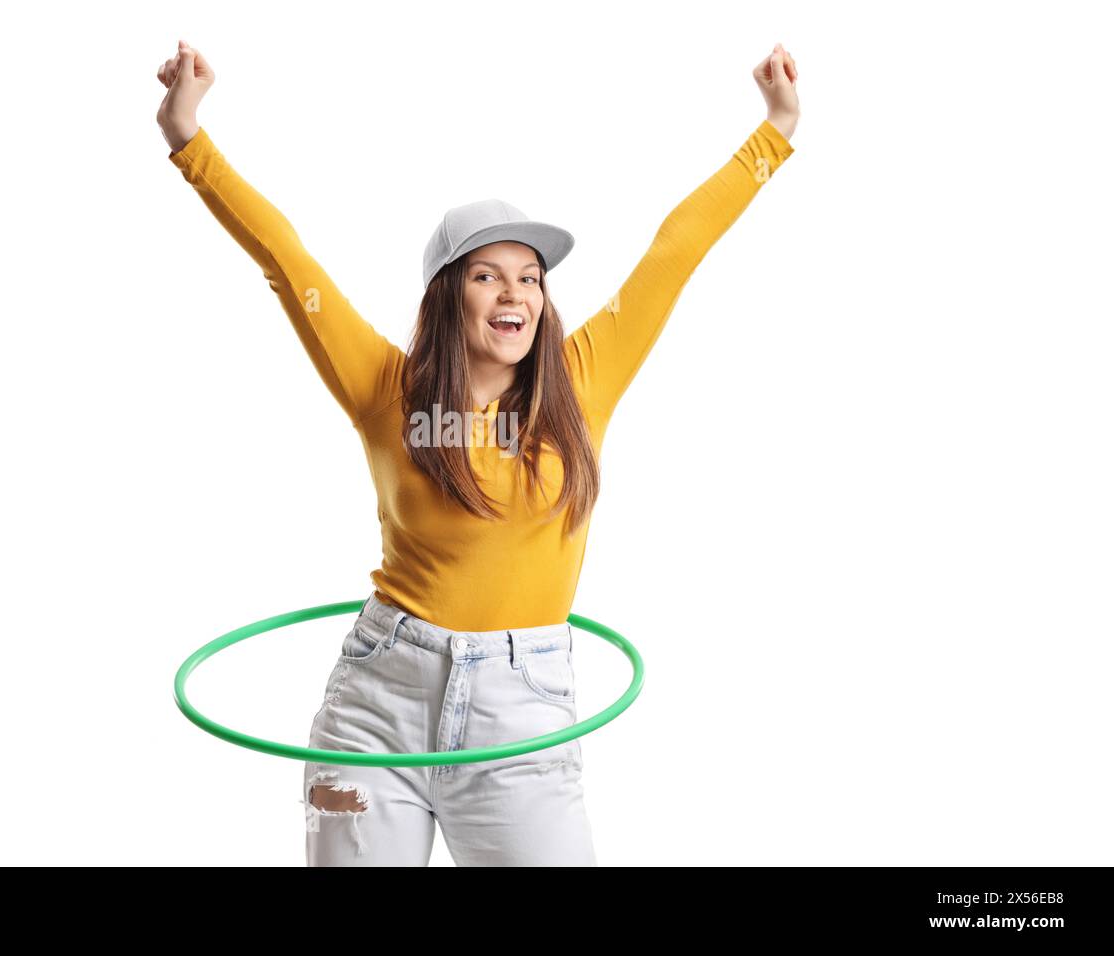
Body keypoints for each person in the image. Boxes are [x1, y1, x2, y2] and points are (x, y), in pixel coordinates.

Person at [156, 38, 799, 866]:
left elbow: (673, 255)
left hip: (523, 715)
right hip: (374, 711)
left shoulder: (581, 379)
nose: (516, 294)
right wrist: (188, 139)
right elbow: (288, 262)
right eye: (487, 276)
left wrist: (773, 132)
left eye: (530, 278)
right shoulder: (387, 390)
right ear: (447, 297)